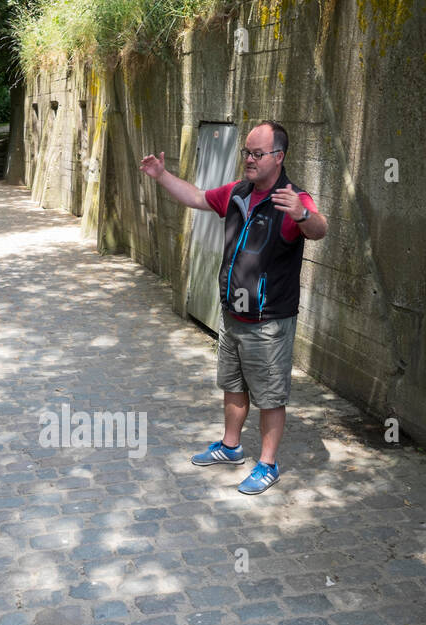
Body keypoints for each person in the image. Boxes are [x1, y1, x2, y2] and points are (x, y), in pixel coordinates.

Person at [140, 120, 327, 494]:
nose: (249, 160)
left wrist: (302, 215)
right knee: (233, 385)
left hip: (269, 320)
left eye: (257, 154)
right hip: (233, 313)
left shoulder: (292, 198)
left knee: (270, 397)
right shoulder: (238, 193)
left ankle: (268, 464)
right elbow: (196, 197)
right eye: (247, 152)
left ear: (279, 156)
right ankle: (231, 446)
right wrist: (162, 176)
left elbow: (319, 228)